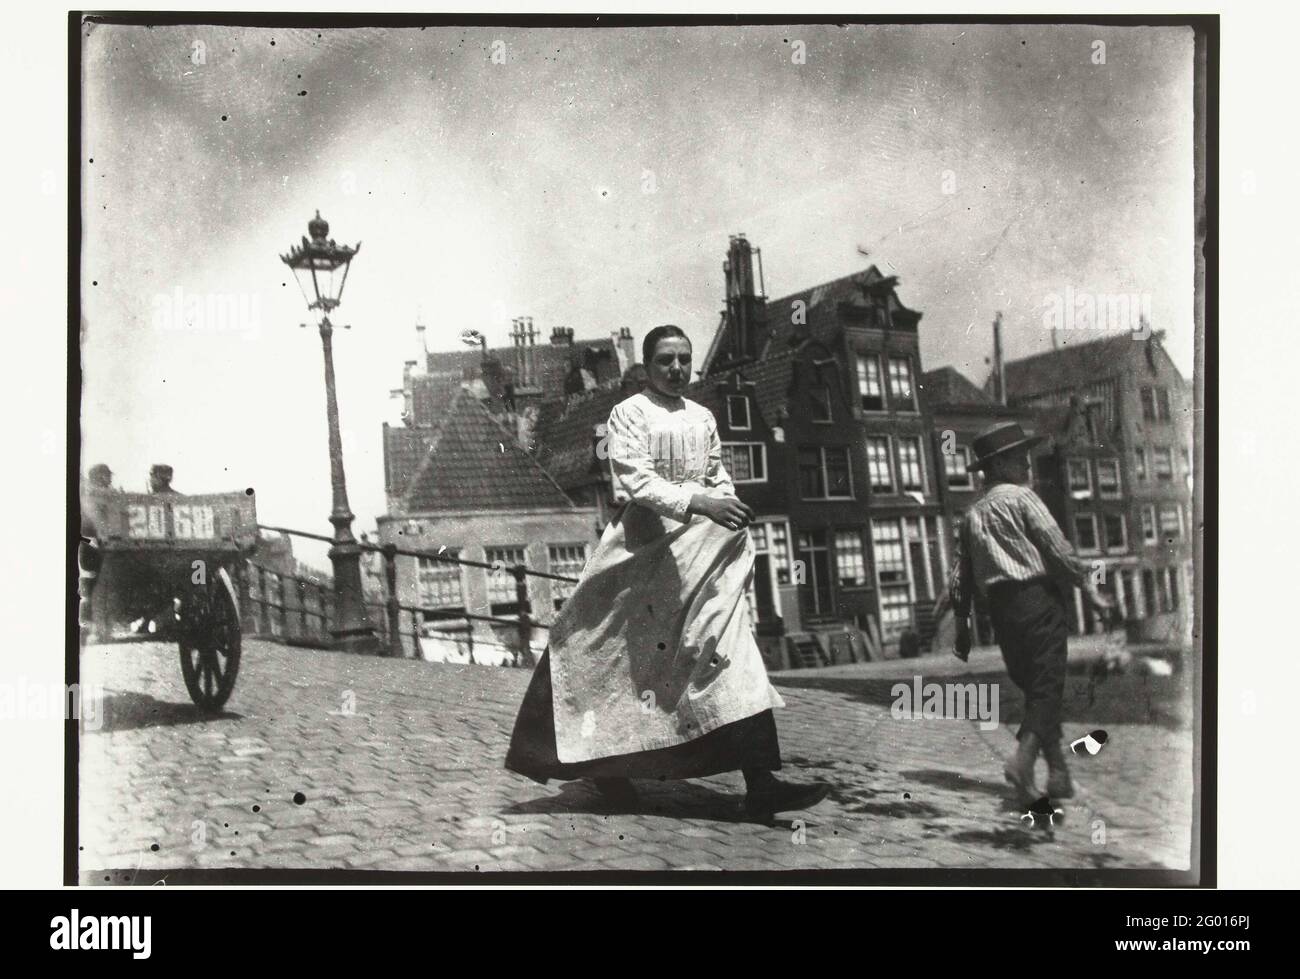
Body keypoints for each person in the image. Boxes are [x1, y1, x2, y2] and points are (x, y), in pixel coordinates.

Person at [505, 325, 831, 821]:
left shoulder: (702, 415)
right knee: (614, 659)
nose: (677, 369)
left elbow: (716, 472)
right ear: (649, 366)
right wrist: (698, 500)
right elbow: (635, 478)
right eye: (666, 361)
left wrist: (728, 502)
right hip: (643, 549)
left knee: (728, 653)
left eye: (684, 359)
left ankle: (761, 781)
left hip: (702, 550)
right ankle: (607, 771)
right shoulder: (629, 412)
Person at [948, 422, 1113, 805]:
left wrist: (961, 624)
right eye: (1018, 456)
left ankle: (1058, 774)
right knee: (1048, 686)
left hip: (1001, 614)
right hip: (1037, 601)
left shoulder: (972, 515)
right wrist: (1088, 588)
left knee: (1036, 688)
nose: (1026, 462)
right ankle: (1022, 760)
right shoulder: (1023, 498)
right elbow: (1056, 548)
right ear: (1000, 465)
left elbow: (961, 574)